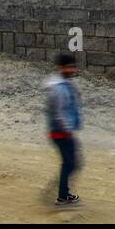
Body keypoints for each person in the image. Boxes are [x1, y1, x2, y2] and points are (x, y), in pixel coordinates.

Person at [45, 53, 83, 206]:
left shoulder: (63, 84)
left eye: (73, 66)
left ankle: (62, 192)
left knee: (69, 163)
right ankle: (62, 194)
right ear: (61, 68)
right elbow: (59, 113)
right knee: (71, 163)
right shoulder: (59, 89)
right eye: (69, 67)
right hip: (61, 132)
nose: (72, 69)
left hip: (60, 132)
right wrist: (68, 130)